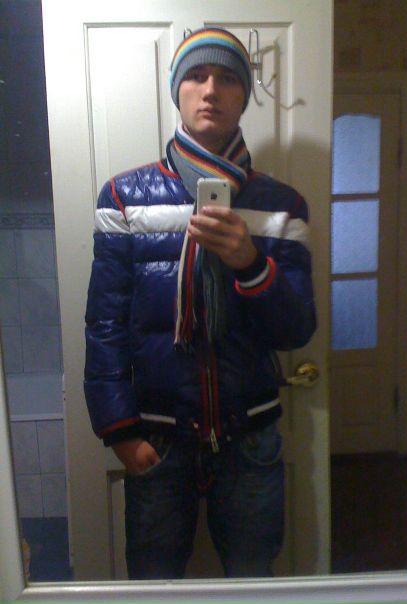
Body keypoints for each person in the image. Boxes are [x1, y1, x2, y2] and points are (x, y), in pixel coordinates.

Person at [84, 27, 316, 580]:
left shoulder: (282, 205)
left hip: (251, 437)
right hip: (157, 437)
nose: (211, 89)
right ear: (177, 91)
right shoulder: (124, 197)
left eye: (228, 78)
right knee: (154, 582)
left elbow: (296, 329)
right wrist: (119, 430)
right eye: (196, 76)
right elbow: (105, 323)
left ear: (245, 95)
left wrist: (250, 264)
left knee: (253, 581)